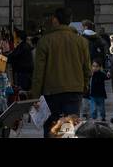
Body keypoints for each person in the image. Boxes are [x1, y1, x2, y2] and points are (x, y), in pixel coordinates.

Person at [29, 7, 91, 136]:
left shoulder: (45, 41)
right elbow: (87, 69)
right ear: (70, 21)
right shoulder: (81, 41)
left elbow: (39, 72)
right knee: (68, 129)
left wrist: (35, 96)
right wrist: (84, 86)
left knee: (51, 128)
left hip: (51, 92)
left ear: (54, 20)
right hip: (74, 90)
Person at [7, 27, 34, 96]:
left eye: (16, 37)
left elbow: (13, 56)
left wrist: (5, 58)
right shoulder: (25, 45)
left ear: (19, 38)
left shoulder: (22, 46)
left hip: (23, 72)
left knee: (22, 91)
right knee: (25, 90)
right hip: (26, 71)